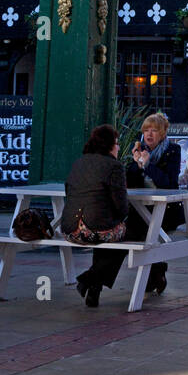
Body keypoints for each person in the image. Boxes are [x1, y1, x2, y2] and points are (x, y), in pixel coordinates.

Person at [61, 124, 128, 308]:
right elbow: (122, 208)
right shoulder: (115, 166)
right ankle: (89, 279)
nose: (118, 147)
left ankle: (94, 289)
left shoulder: (79, 162)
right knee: (130, 233)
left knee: (107, 231)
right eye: (116, 143)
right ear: (108, 145)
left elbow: (69, 193)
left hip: (69, 230)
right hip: (92, 231)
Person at [124, 112, 182, 296]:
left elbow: (169, 183)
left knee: (145, 232)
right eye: (146, 130)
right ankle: (157, 272)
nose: (149, 134)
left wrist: (148, 165)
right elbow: (130, 183)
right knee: (131, 231)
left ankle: (155, 274)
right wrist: (135, 164)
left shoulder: (173, 151)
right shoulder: (139, 149)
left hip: (166, 209)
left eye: (154, 130)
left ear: (163, 133)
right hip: (141, 208)